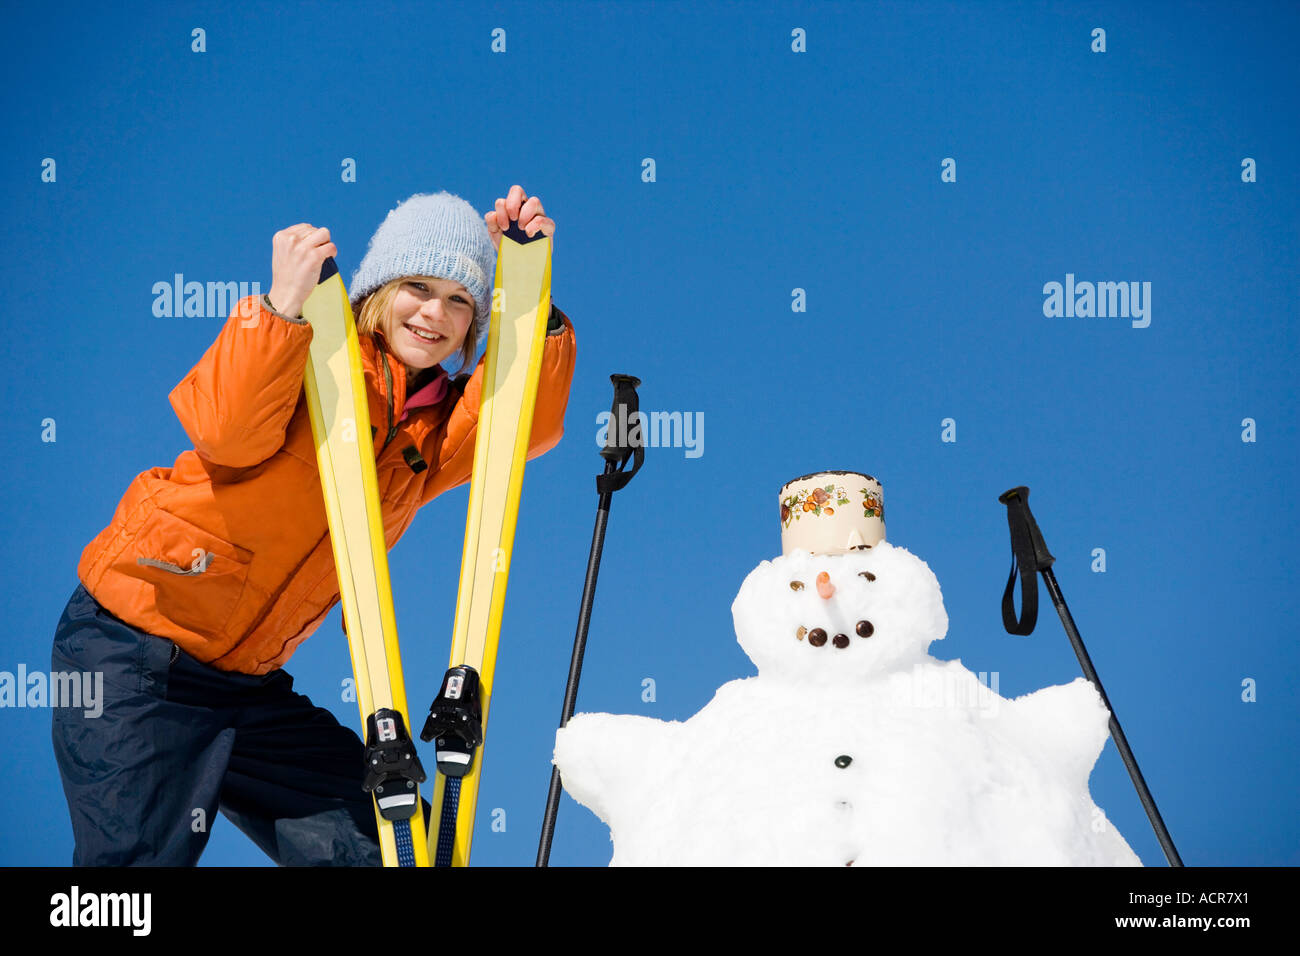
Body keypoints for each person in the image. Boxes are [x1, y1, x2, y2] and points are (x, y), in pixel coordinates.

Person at [50, 187, 577, 865]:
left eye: (460, 302)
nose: (435, 313)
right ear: (380, 290)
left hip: (246, 687)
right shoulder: (314, 356)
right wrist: (279, 309)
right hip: (137, 653)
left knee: (388, 846)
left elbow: (519, 429)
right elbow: (225, 432)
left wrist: (531, 303)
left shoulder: (429, 428)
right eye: (418, 286)